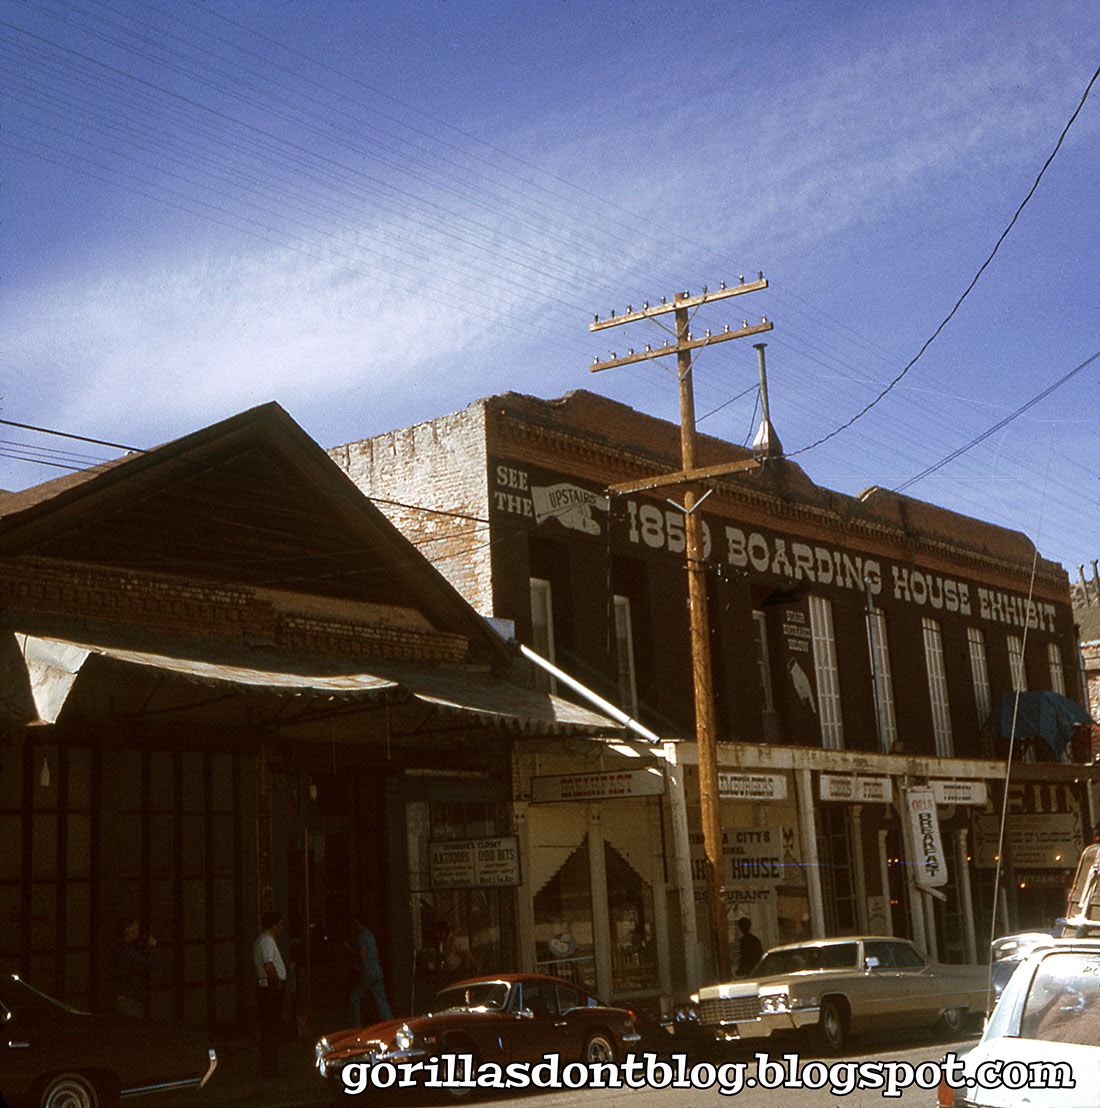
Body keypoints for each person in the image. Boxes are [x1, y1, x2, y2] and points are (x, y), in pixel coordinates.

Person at [253, 911, 286, 1077]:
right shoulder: (267, 941)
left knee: (268, 1028)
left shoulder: (262, 940)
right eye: (280, 924)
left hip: (266, 987)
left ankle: (268, 1065)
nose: (281, 928)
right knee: (271, 1028)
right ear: (274, 925)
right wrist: (277, 983)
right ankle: (270, 1067)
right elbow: (268, 964)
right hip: (270, 988)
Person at [350, 914, 392, 1026]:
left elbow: (362, 954)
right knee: (381, 999)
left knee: (354, 998)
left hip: (368, 972)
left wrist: (352, 951)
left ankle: (356, 1025)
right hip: (377, 971)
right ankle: (390, 1022)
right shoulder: (370, 935)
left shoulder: (362, 937)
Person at [111, 916, 157, 1017]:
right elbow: (148, 964)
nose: (137, 933)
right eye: (135, 930)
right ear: (128, 931)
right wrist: (152, 948)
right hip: (129, 998)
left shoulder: (121, 949)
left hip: (128, 997)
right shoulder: (125, 951)